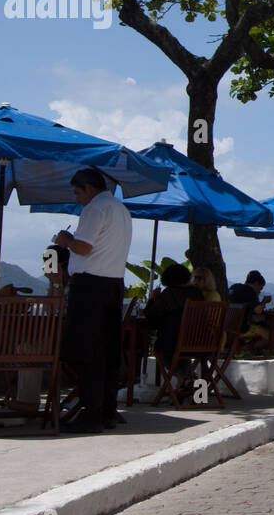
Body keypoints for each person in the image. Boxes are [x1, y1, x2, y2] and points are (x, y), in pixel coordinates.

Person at [55, 168, 133, 433]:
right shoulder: (121, 209)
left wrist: (65, 241)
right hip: (114, 284)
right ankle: (107, 412)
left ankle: (91, 414)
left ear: (89, 187)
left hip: (89, 285)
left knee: (85, 351)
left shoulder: (95, 209)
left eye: (78, 192)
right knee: (107, 353)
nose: (77, 198)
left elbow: (84, 247)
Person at [144, 264, 204, 391]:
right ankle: (185, 384)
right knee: (180, 352)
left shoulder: (169, 294)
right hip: (199, 342)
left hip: (173, 343)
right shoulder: (197, 293)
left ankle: (182, 378)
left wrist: (152, 299)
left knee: (163, 350)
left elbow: (150, 314)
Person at [229, 270, 273, 353]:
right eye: (260, 288)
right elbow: (258, 310)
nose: (259, 291)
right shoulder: (249, 291)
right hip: (241, 329)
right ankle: (246, 349)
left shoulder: (234, 287)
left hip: (227, 327)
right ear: (256, 283)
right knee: (271, 334)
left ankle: (243, 348)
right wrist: (264, 302)